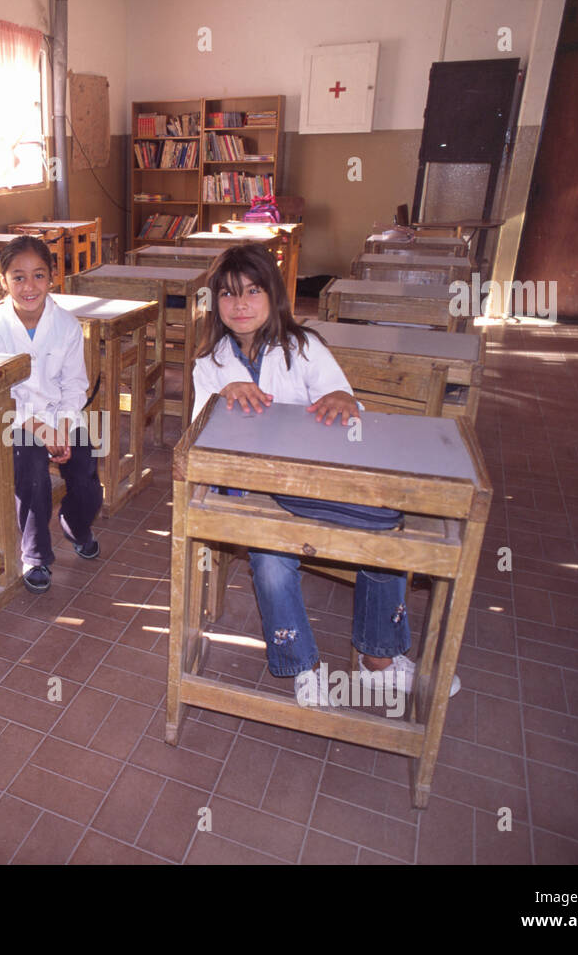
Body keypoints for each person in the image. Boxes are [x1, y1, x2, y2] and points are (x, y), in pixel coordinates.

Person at [192, 242, 460, 707]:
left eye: (252, 292)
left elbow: (341, 395)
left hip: (310, 483)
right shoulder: (210, 365)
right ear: (215, 302)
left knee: (362, 543)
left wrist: (340, 398)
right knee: (318, 541)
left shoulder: (304, 346)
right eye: (228, 294)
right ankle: (304, 665)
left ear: (273, 296)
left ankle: (378, 660)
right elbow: (198, 440)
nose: (240, 305)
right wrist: (221, 397)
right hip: (248, 488)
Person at [0, 235, 103, 594]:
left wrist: (61, 427)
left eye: (38, 275)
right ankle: (35, 555)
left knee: (87, 475)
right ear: (3, 280)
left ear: (52, 277)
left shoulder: (65, 324)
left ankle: (75, 525)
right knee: (32, 473)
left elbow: (75, 386)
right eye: (18, 277)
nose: (29, 286)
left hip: (65, 416)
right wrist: (41, 431)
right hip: (15, 419)